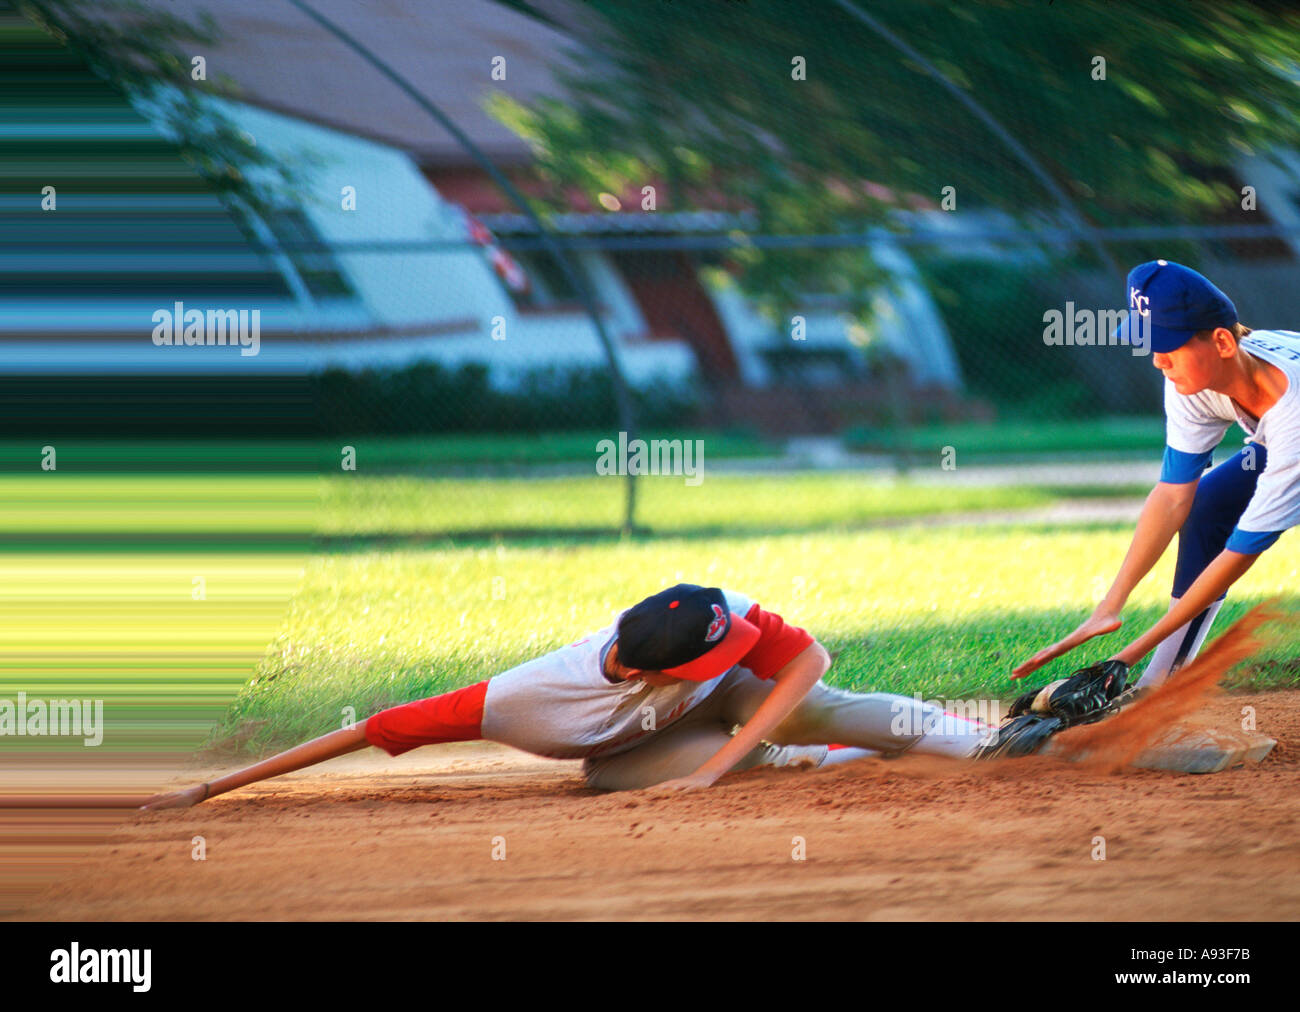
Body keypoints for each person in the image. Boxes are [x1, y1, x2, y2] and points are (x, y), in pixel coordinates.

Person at [141, 583, 991, 809]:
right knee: (619, 782)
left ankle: (982, 742)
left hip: (718, 710)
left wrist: (726, 761)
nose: (737, 636)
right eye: (717, 646)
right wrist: (213, 787)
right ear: (654, 668)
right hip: (622, 753)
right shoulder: (521, 703)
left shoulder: (708, 616)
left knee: (812, 702)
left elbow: (808, 660)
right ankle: (821, 759)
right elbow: (368, 730)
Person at [1014, 260, 1299, 686]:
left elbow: (1241, 551)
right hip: (1278, 436)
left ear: (1221, 341)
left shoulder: (1292, 415)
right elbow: (1173, 497)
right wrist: (1109, 607)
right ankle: (1161, 684)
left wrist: (1121, 659)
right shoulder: (1195, 378)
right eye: (1151, 344)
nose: (1158, 360)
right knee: (1206, 507)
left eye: (1169, 343)